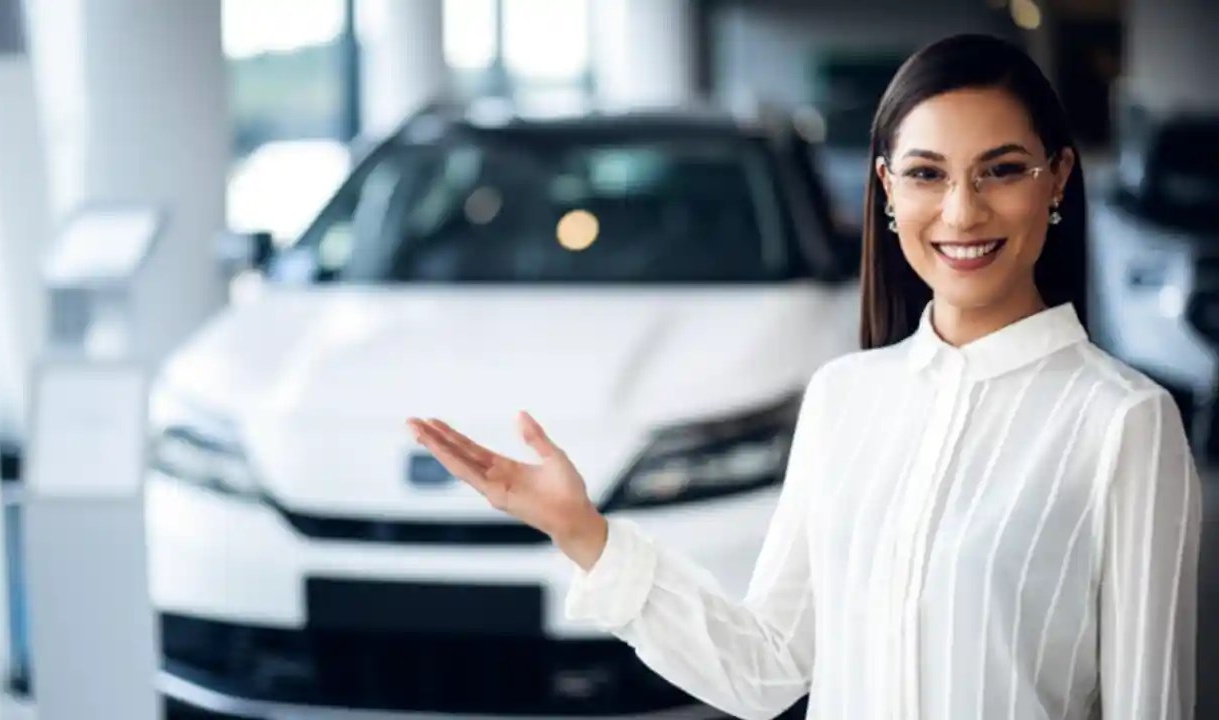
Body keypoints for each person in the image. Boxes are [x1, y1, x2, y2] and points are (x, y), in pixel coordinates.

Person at [405, 33, 1200, 720]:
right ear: (886, 189)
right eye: (927, 174)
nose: (961, 212)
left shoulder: (1122, 422)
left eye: (1001, 170)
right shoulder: (843, 399)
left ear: (1057, 179)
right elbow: (765, 671)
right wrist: (586, 536)